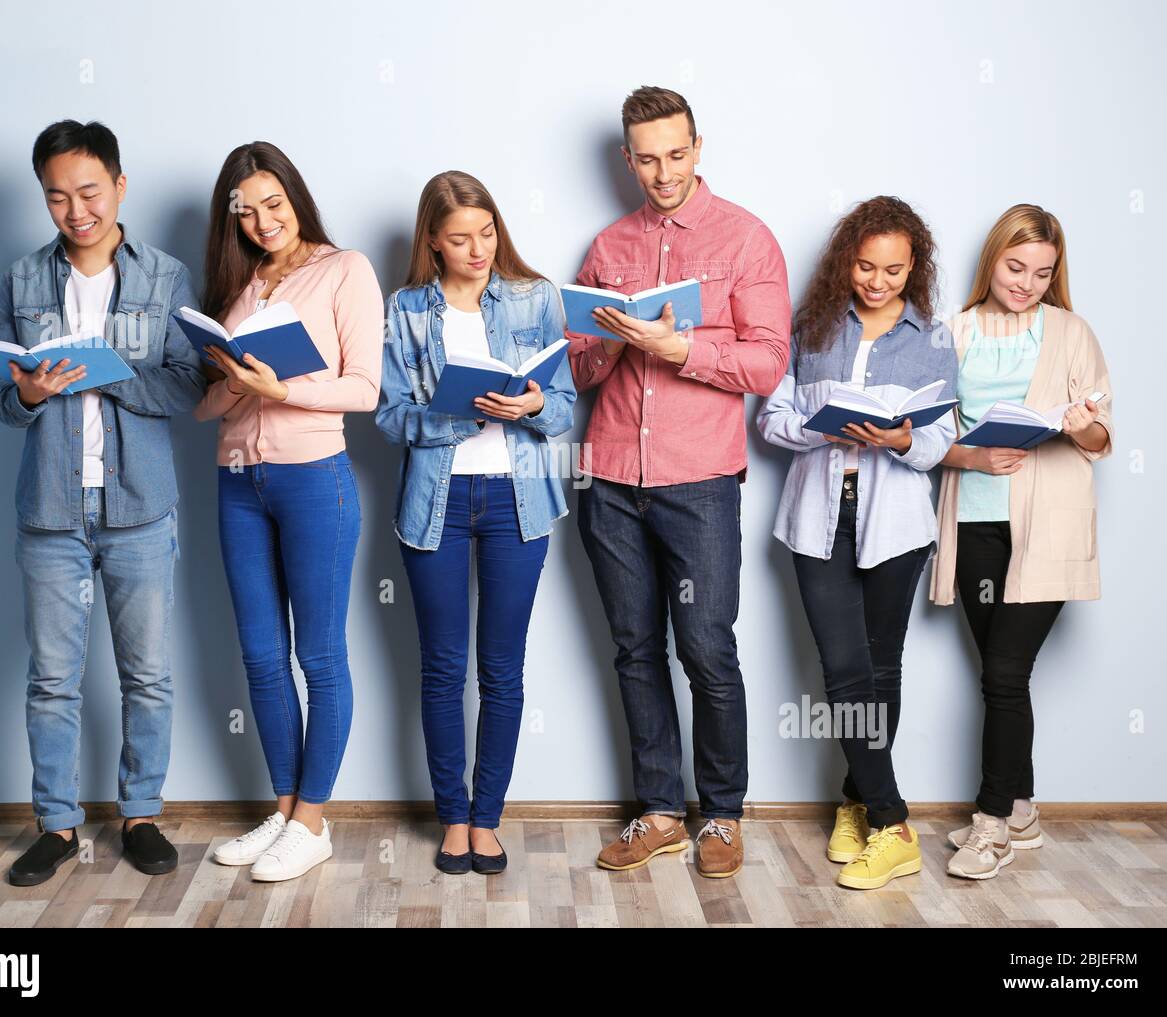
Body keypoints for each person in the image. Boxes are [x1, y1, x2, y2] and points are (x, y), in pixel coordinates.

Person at [567, 86, 791, 878]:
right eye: (646, 158)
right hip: (611, 477)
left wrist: (677, 347)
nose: (662, 172)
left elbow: (768, 361)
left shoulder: (746, 239)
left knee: (706, 647)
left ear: (698, 147)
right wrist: (614, 343)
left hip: (699, 479)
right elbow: (580, 366)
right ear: (626, 159)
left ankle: (722, 815)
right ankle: (660, 810)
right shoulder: (608, 246)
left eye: (675, 153)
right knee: (634, 648)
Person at [0, 120, 207, 886]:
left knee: (147, 673)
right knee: (52, 678)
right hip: (48, 509)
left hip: (140, 507)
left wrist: (107, 373)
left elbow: (188, 382)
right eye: (56, 196)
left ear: (119, 183)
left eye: (88, 190)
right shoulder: (20, 280)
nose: (75, 210)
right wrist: (26, 390)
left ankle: (140, 813)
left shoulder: (165, 276)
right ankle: (56, 823)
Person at [376, 171, 575, 875]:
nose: (477, 248)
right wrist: (455, 415)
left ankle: (487, 817)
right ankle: (451, 817)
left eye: (486, 232)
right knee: (442, 667)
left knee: (502, 669)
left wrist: (532, 408)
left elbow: (566, 405)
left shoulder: (536, 296)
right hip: (438, 503)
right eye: (459, 238)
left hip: (518, 501)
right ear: (432, 239)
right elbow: (389, 415)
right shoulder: (403, 309)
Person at [195, 142, 383, 882]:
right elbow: (206, 406)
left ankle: (313, 819)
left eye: (274, 204)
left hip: (314, 477)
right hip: (238, 481)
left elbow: (364, 388)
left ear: (296, 198)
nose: (263, 221)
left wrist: (278, 390)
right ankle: (283, 808)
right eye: (246, 212)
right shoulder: (237, 286)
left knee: (319, 655)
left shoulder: (345, 269)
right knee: (262, 656)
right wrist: (237, 385)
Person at [758, 196, 957, 889]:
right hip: (818, 516)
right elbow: (772, 420)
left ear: (915, 269)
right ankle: (893, 820)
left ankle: (856, 799)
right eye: (866, 267)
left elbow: (939, 438)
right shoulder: (809, 327)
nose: (876, 282)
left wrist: (901, 437)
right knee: (844, 670)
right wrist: (823, 429)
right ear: (847, 261)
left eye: (894, 271)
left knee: (882, 669)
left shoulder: (931, 338)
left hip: (896, 524)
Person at [932, 204, 1113, 880]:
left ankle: (991, 825)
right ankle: (1024, 811)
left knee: (1004, 673)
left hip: (1051, 526)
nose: (1027, 282)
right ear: (992, 260)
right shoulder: (957, 330)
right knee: (1005, 678)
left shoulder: (1071, 331)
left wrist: (1078, 425)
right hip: (977, 523)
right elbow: (926, 438)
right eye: (1015, 267)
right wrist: (968, 458)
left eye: (1042, 272)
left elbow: (1100, 440)